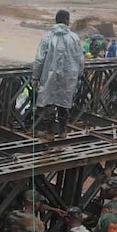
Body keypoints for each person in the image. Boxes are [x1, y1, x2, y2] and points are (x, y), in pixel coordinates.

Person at [32, 10, 84, 142]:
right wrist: (79, 74)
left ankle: (49, 131)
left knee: (48, 100)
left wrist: (35, 76)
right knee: (64, 101)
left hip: (50, 75)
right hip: (69, 76)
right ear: (67, 21)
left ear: (56, 20)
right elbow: (80, 59)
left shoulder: (48, 37)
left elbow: (39, 59)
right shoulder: (74, 38)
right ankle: (62, 131)